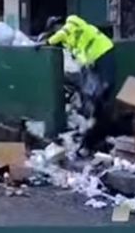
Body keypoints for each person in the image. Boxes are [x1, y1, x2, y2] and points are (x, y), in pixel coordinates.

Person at [39, 15, 116, 154]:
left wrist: (48, 42)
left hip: (104, 53)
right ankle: (94, 137)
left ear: (58, 25)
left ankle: (97, 133)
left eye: (55, 29)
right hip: (94, 61)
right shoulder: (68, 40)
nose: (56, 32)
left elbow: (64, 32)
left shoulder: (72, 22)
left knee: (103, 91)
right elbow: (79, 55)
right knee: (94, 97)